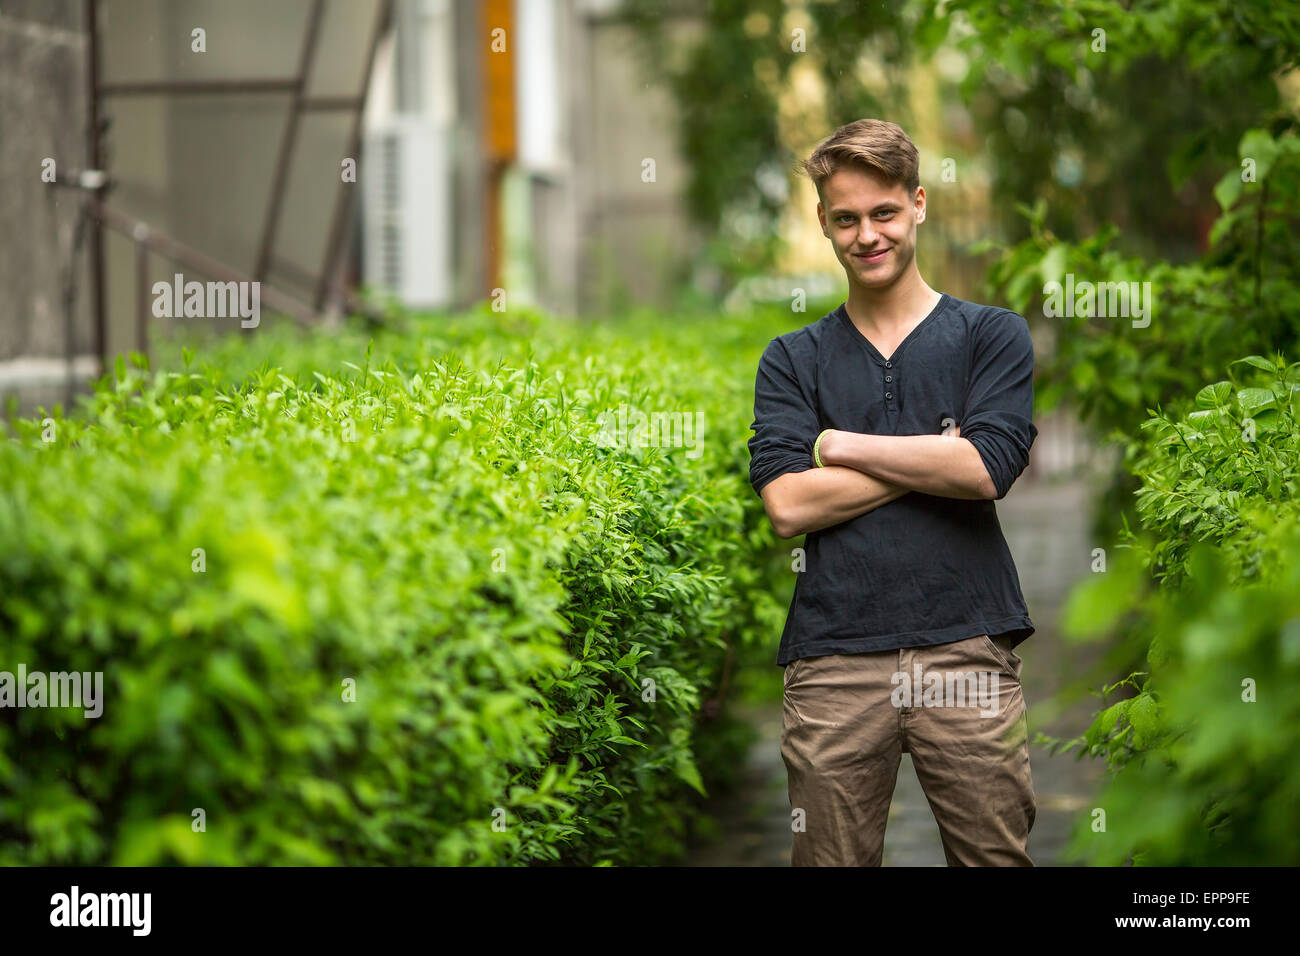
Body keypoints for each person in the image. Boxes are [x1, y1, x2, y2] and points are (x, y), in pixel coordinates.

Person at [747, 119, 1038, 866]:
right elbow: (787, 506)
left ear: (917, 205)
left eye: (883, 212)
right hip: (835, 662)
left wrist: (839, 446)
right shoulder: (791, 359)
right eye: (845, 218)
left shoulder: (991, 336)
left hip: (968, 646)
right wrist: (932, 457)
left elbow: (986, 471)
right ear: (822, 223)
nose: (866, 235)